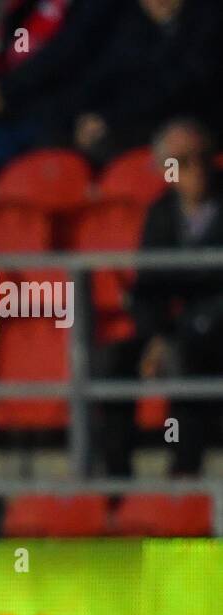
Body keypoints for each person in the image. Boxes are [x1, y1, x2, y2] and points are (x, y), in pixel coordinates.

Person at [102, 118, 223, 476]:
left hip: (214, 329)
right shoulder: (162, 213)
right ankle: (116, 480)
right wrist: (154, 337)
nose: (197, 169)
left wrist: (182, 332)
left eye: (204, 158)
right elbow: (148, 286)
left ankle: (184, 473)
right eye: (183, 162)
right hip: (173, 328)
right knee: (119, 362)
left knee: (191, 355)